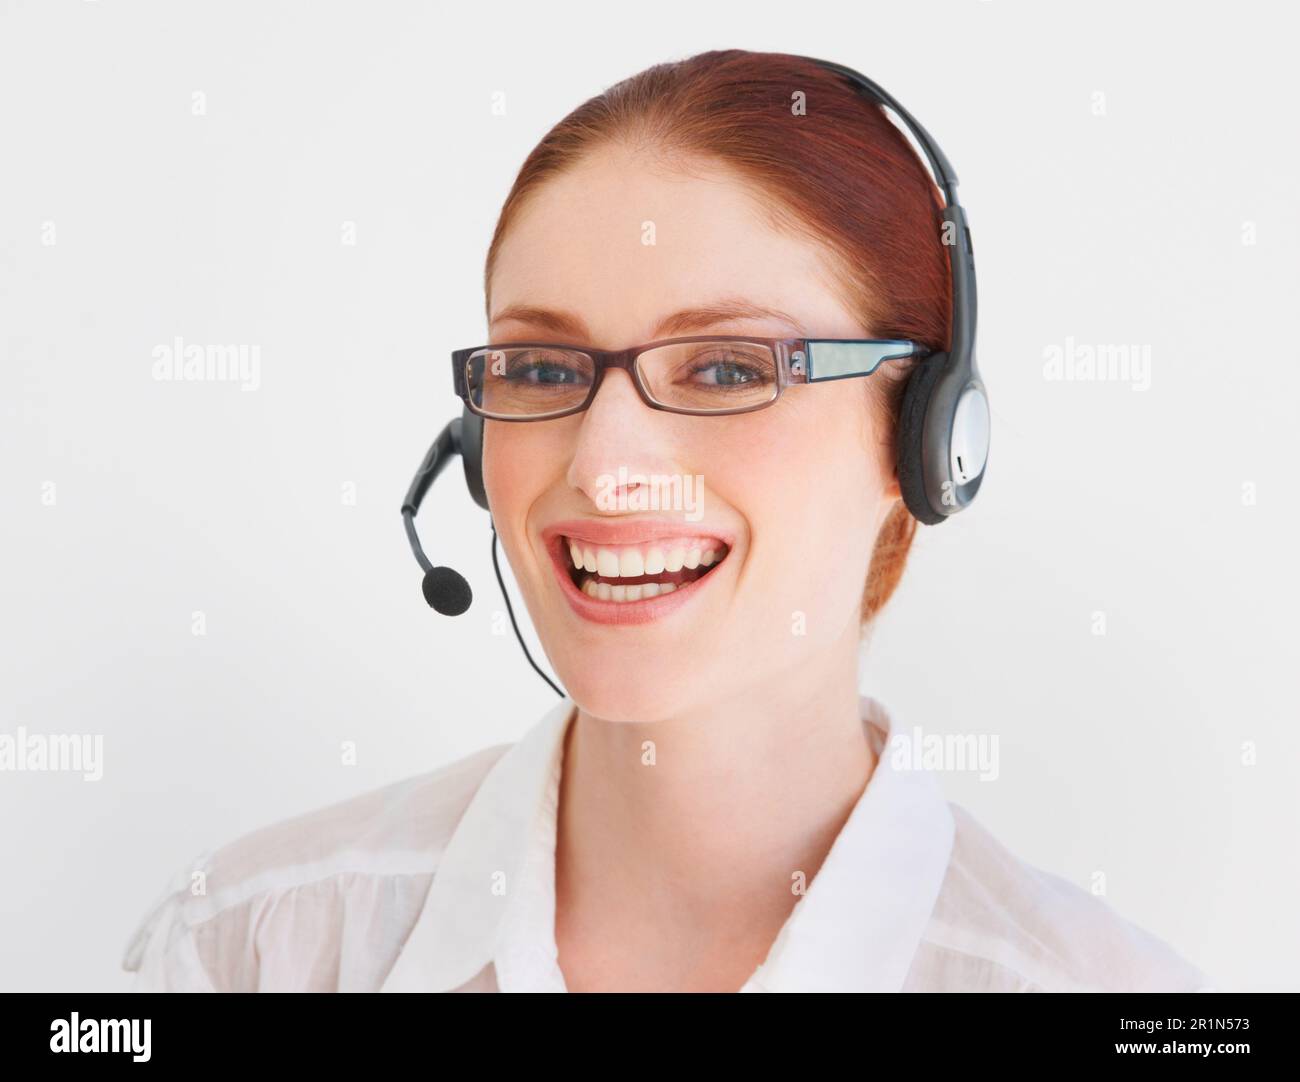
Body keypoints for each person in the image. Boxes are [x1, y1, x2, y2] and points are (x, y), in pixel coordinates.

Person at [123, 49, 1212, 992]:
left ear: (924, 441)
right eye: (543, 365)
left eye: (729, 367)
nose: (604, 468)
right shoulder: (253, 947)